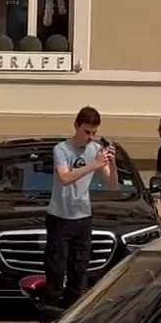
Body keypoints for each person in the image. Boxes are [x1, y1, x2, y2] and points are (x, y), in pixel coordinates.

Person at [44, 107, 115, 304]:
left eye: (94, 133)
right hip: (60, 217)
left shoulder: (95, 150)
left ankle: (71, 319)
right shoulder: (62, 149)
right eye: (86, 132)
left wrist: (112, 163)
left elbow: (111, 184)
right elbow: (65, 177)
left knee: (79, 272)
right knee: (56, 271)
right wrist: (93, 165)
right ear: (76, 126)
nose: (90, 137)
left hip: (83, 218)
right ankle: (49, 319)